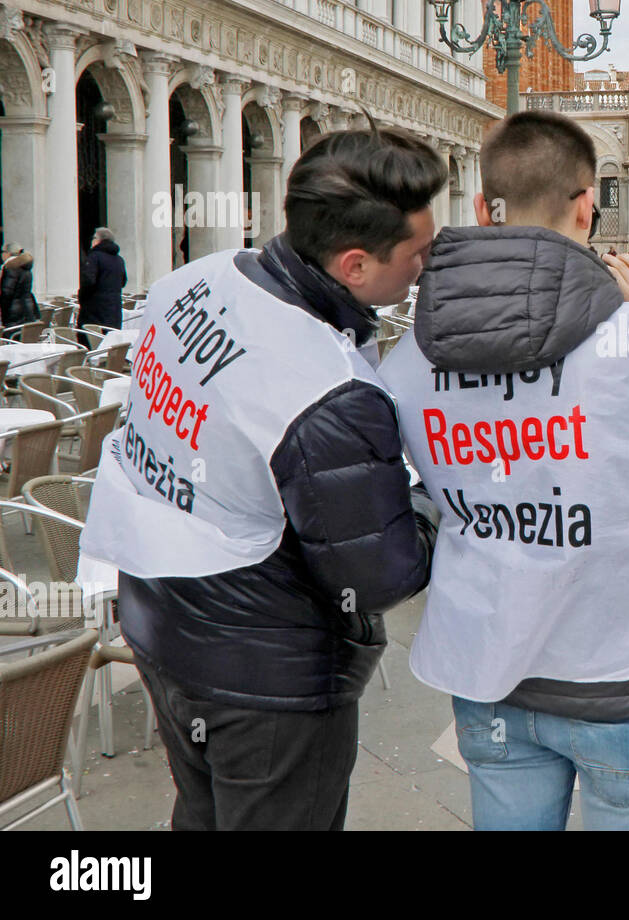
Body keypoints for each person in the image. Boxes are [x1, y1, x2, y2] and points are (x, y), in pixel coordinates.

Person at [379, 110, 629, 830]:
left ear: (483, 209)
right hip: (628, 670)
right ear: (585, 206)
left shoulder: (410, 356)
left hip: (490, 666)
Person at [76, 126, 445, 830]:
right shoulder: (326, 391)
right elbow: (379, 574)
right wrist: (433, 498)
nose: (428, 267)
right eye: (420, 253)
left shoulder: (196, 278)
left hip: (159, 616)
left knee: (204, 810)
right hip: (263, 675)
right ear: (357, 265)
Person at [78, 226, 128, 333]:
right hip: (114, 309)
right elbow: (123, 282)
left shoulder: (94, 257)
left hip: (94, 311)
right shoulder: (119, 260)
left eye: (93, 238)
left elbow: (88, 281)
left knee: (92, 341)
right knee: (110, 340)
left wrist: (82, 297)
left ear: (98, 240)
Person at [0, 243, 40, 328]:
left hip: (13, 314)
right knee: (24, 337)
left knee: (12, 337)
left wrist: (3, 310)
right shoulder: (25, 268)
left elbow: (7, 293)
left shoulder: (10, 268)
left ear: (8, 253)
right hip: (27, 310)